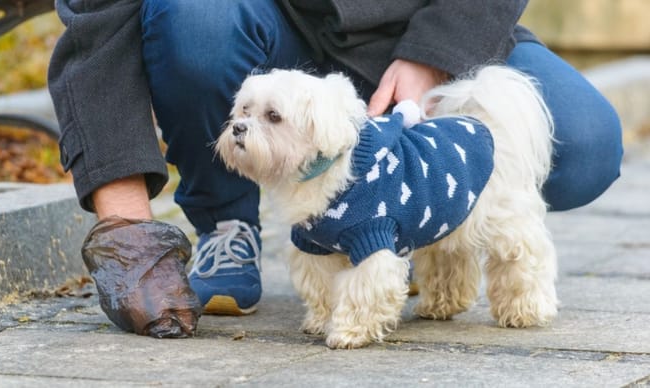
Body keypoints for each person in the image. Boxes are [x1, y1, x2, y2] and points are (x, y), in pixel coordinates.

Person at [48, 0, 623, 336]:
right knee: (192, 22)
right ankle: (226, 224)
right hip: (257, 22)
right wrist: (125, 227)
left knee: (585, 142)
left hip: (426, 17)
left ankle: (421, 229)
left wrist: (438, 52)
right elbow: (100, 17)